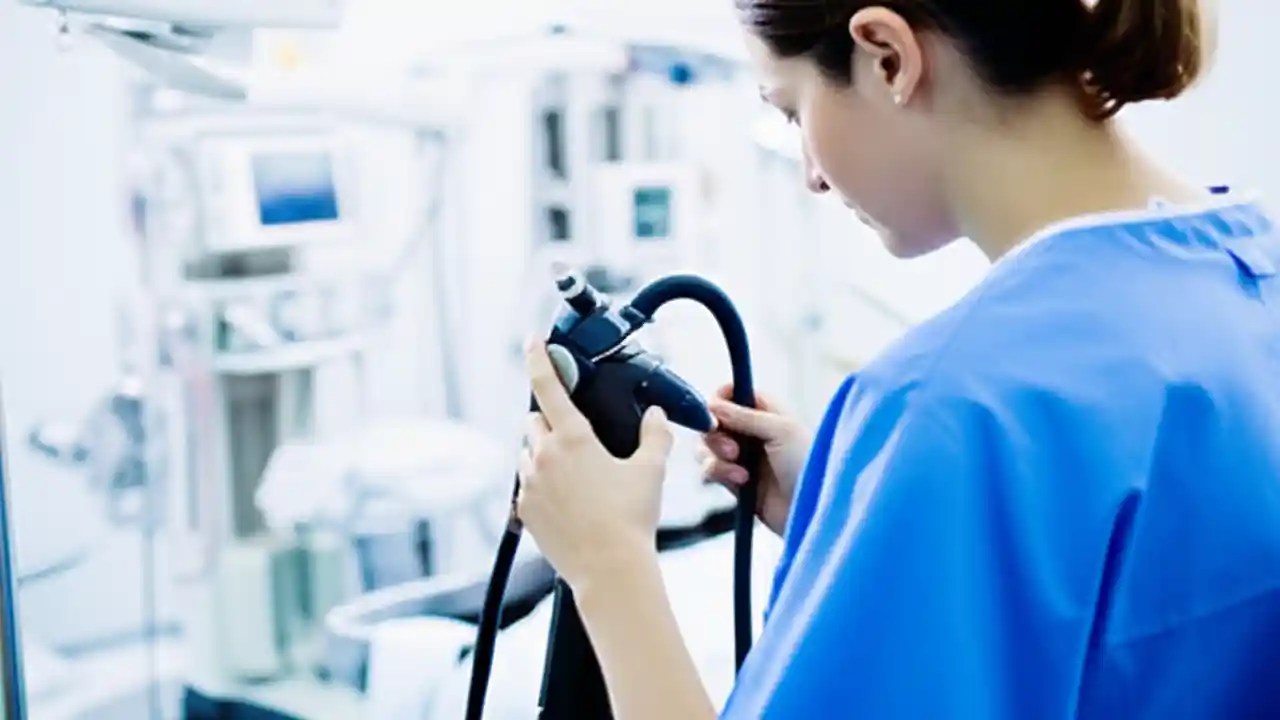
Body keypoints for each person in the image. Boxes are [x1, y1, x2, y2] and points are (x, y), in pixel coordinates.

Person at [514, 0, 1280, 717]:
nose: (810, 175)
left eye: (792, 110)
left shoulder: (956, 403)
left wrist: (606, 563)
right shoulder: (1251, 271)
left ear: (886, 56)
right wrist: (854, 504)